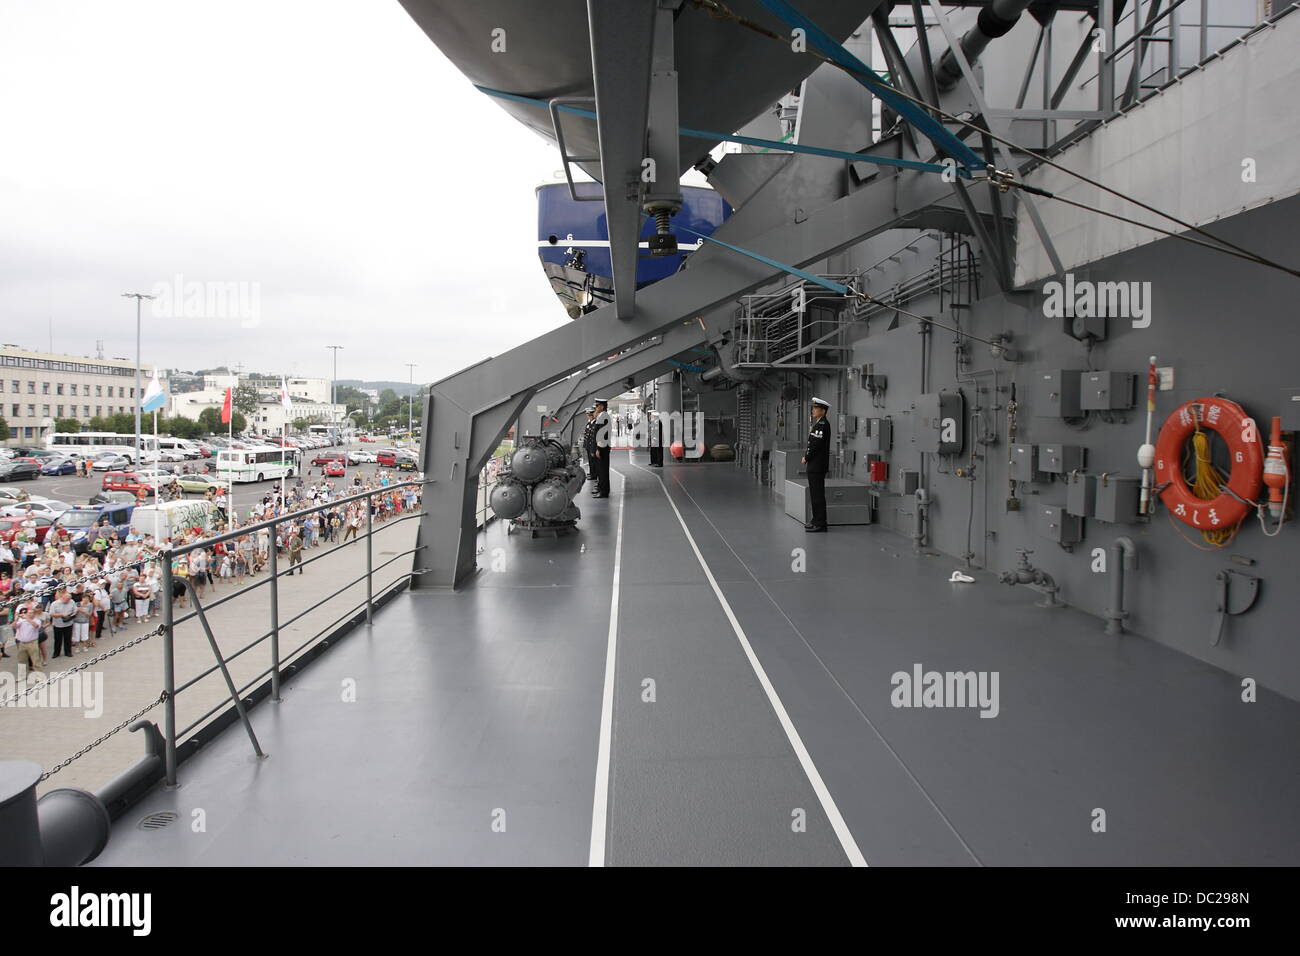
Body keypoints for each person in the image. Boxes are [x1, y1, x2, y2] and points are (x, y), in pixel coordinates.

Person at [801, 397, 832, 532]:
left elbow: (815, 445)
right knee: (815, 494)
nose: (813, 410)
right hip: (815, 465)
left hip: (817, 465)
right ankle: (815, 520)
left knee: (818, 494)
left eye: (816, 408)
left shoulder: (822, 425)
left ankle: (820, 523)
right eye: (813, 408)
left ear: (823, 411)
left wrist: (806, 457)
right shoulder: (819, 423)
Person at [590, 398, 612, 498]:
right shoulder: (602, 416)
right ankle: (601, 488)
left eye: (597, 406)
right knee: (600, 470)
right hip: (602, 447)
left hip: (602, 448)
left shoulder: (603, 417)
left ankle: (604, 492)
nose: (596, 408)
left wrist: (598, 448)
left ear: (602, 406)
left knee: (603, 470)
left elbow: (602, 435)